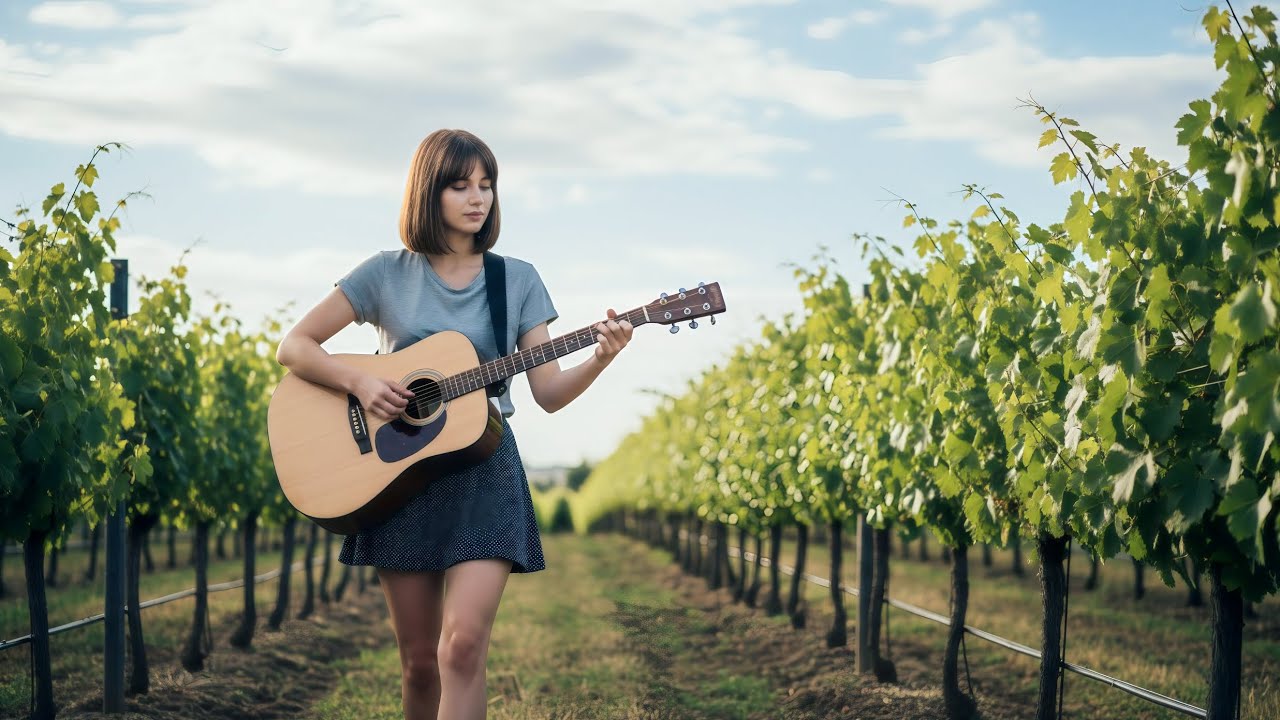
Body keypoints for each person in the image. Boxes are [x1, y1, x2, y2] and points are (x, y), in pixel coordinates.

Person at [273, 128, 632, 719]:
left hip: (483, 469)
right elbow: (296, 346)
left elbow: (549, 394)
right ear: (427, 192)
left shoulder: (515, 279)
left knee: (461, 647)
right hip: (395, 476)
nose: (478, 198)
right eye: (461, 184)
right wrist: (361, 382)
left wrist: (601, 355)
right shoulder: (384, 274)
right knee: (418, 664)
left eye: (487, 185)